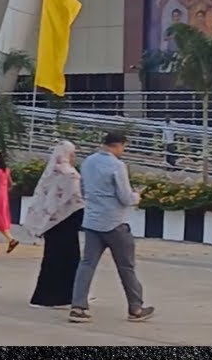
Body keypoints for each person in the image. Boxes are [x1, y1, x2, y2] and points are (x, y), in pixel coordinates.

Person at [69, 131, 154, 324]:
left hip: (92, 221)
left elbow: (82, 190)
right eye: (123, 147)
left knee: (87, 264)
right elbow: (124, 197)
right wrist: (136, 196)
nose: (123, 151)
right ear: (118, 145)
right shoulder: (117, 165)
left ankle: (78, 307)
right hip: (115, 222)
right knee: (126, 266)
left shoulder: (88, 162)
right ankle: (136, 308)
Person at [26, 141, 86, 309]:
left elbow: (44, 196)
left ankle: (43, 297)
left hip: (50, 222)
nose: (74, 156)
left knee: (51, 259)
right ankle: (64, 297)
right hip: (65, 222)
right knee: (69, 259)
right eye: (73, 153)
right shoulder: (70, 173)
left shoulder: (51, 171)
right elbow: (75, 197)